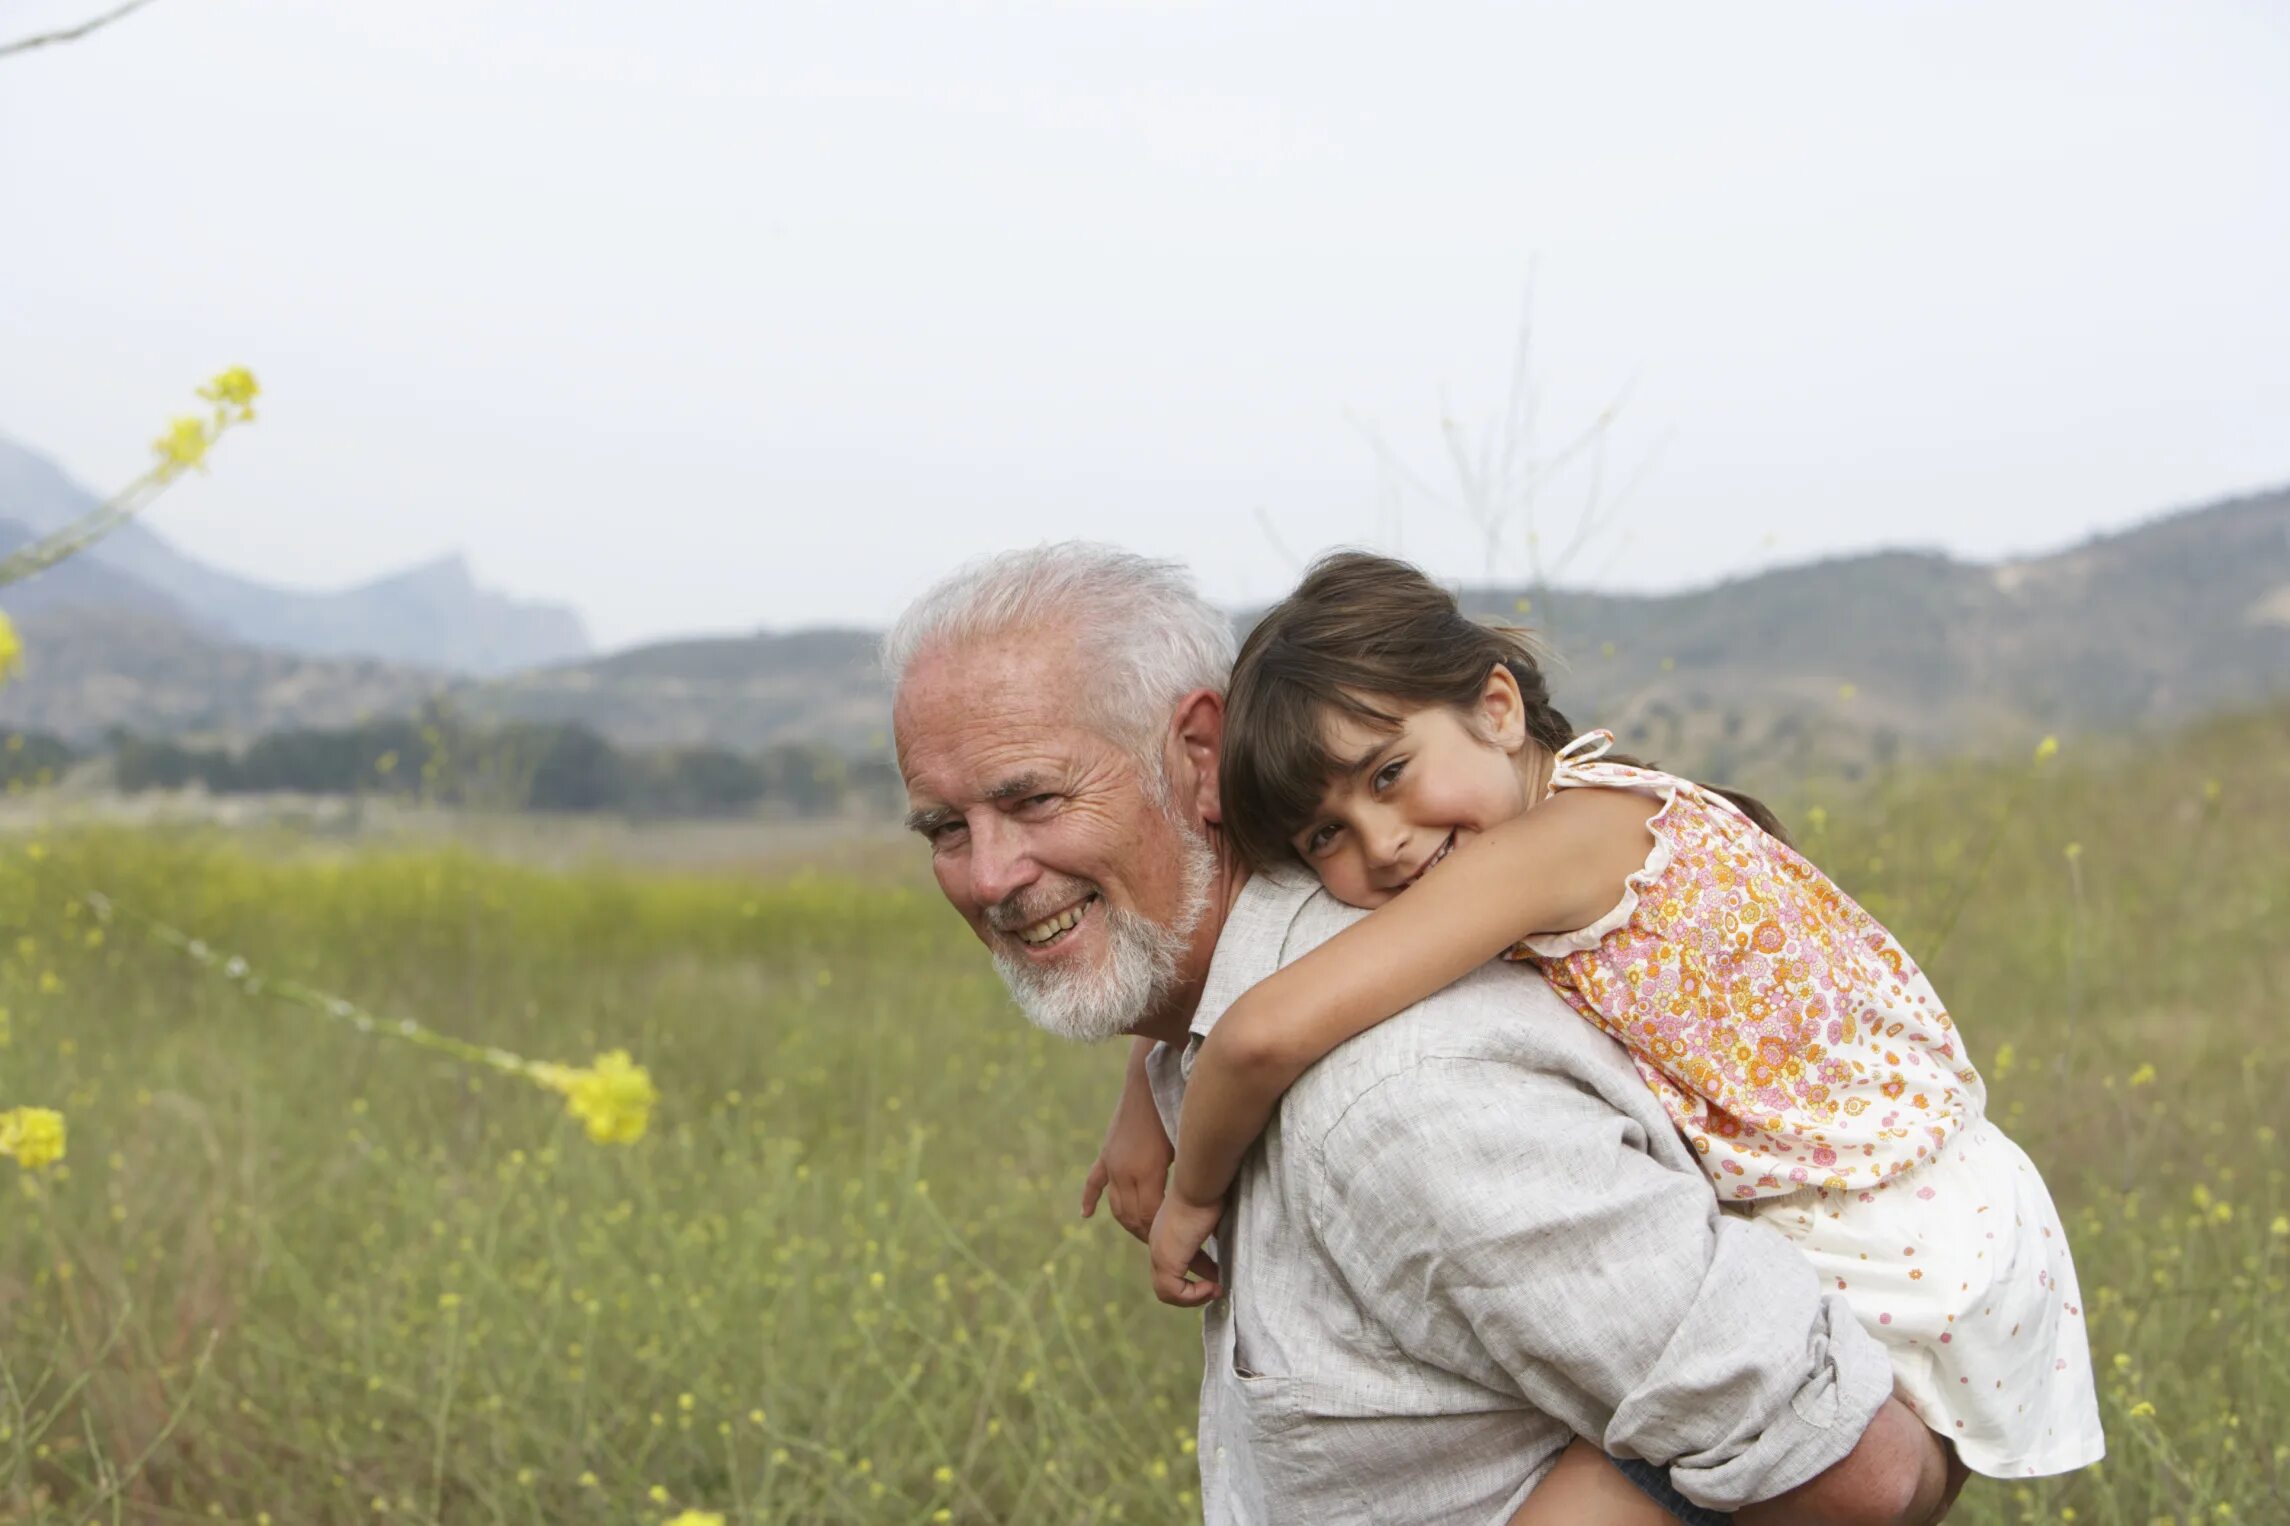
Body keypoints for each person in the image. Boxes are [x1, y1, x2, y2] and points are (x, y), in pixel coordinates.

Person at [889, 541, 1959, 1524]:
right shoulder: (1253, 999)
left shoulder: (1398, 1092)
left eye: (1034, 799)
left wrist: (1190, 1194)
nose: (990, 876)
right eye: (945, 828)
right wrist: (1151, 1074)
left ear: (1200, 755)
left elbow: (1859, 1472)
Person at [1120, 551, 2102, 1520]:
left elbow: (1259, 1033)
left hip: (1888, 1228)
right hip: (1941, 1200)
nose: (1383, 844)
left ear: (1496, 708)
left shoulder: (1550, 850)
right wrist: (1142, 1080)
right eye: (1323, 836)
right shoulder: (1591, 800)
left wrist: (1193, 1196)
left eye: (1389, 773)